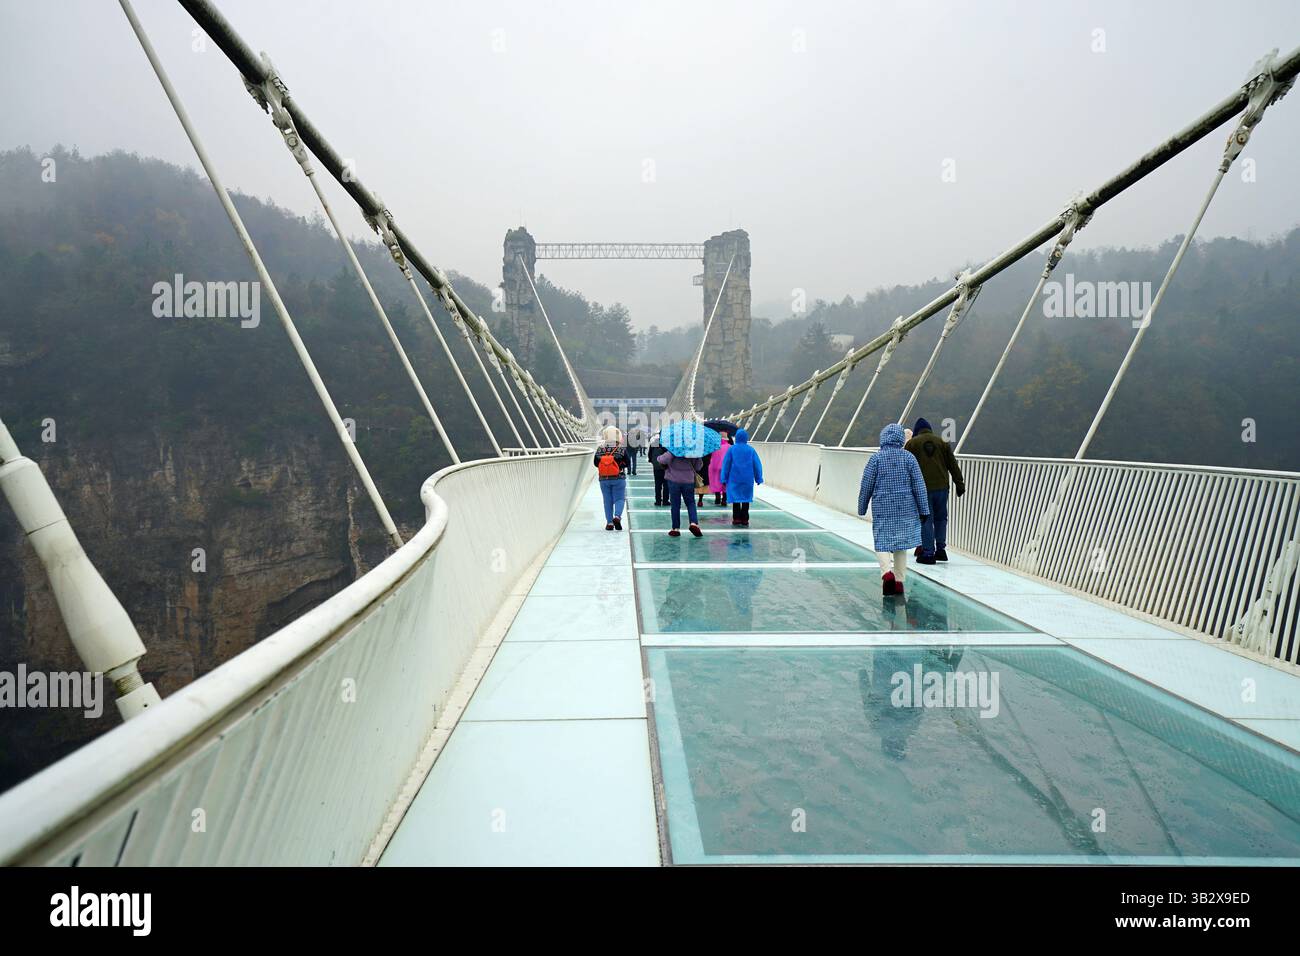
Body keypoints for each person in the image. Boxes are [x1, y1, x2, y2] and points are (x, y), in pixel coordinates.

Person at [858, 423, 930, 596]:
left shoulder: (876, 459)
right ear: (900, 439)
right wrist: (924, 510)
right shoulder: (909, 458)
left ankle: (886, 573)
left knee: (881, 540)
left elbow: (866, 485)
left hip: (882, 506)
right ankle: (899, 582)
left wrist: (862, 507)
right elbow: (919, 486)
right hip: (906, 506)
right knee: (901, 544)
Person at [905, 417, 965, 564]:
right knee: (941, 518)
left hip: (922, 489)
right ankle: (941, 550)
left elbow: (904, 466)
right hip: (942, 488)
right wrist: (959, 483)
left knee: (926, 519)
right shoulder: (942, 442)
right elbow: (952, 464)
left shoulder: (912, 443)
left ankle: (928, 553)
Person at [720, 428, 763, 527]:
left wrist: (723, 478)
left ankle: (736, 518)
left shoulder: (732, 449)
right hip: (747, 479)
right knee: (745, 498)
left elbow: (726, 465)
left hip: (734, 479)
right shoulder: (751, 450)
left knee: (736, 499)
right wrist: (758, 478)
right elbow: (757, 465)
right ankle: (745, 519)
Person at [656, 446, 703, 537]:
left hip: (674, 480)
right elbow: (698, 467)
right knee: (690, 503)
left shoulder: (674, 449)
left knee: (675, 505)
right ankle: (693, 523)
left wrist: (659, 457)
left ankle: (675, 528)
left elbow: (663, 460)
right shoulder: (693, 450)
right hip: (688, 480)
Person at [592, 425, 629, 531]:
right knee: (619, 498)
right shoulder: (621, 448)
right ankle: (617, 516)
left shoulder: (600, 448)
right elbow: (628, 463)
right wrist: (619, 465)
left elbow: (595, 463)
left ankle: (609, 523)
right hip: (619, 478)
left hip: (604, 479)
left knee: (607, 501)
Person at [709, 434, 731, 505]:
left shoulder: (715, 447)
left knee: (716, 482)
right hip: (725, 468)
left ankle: (717, 498)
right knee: (725, 483)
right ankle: (724, 499)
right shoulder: (730, 447)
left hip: (714, 467)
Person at [648, 434, 669, 506]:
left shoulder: (654, 443)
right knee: (666, 485)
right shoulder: (667, 443)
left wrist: (653, 462)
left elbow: (650, 455)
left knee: (657, 484)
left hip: (656, 467)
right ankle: (665, 501)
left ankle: (658, 501)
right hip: (666, 467)